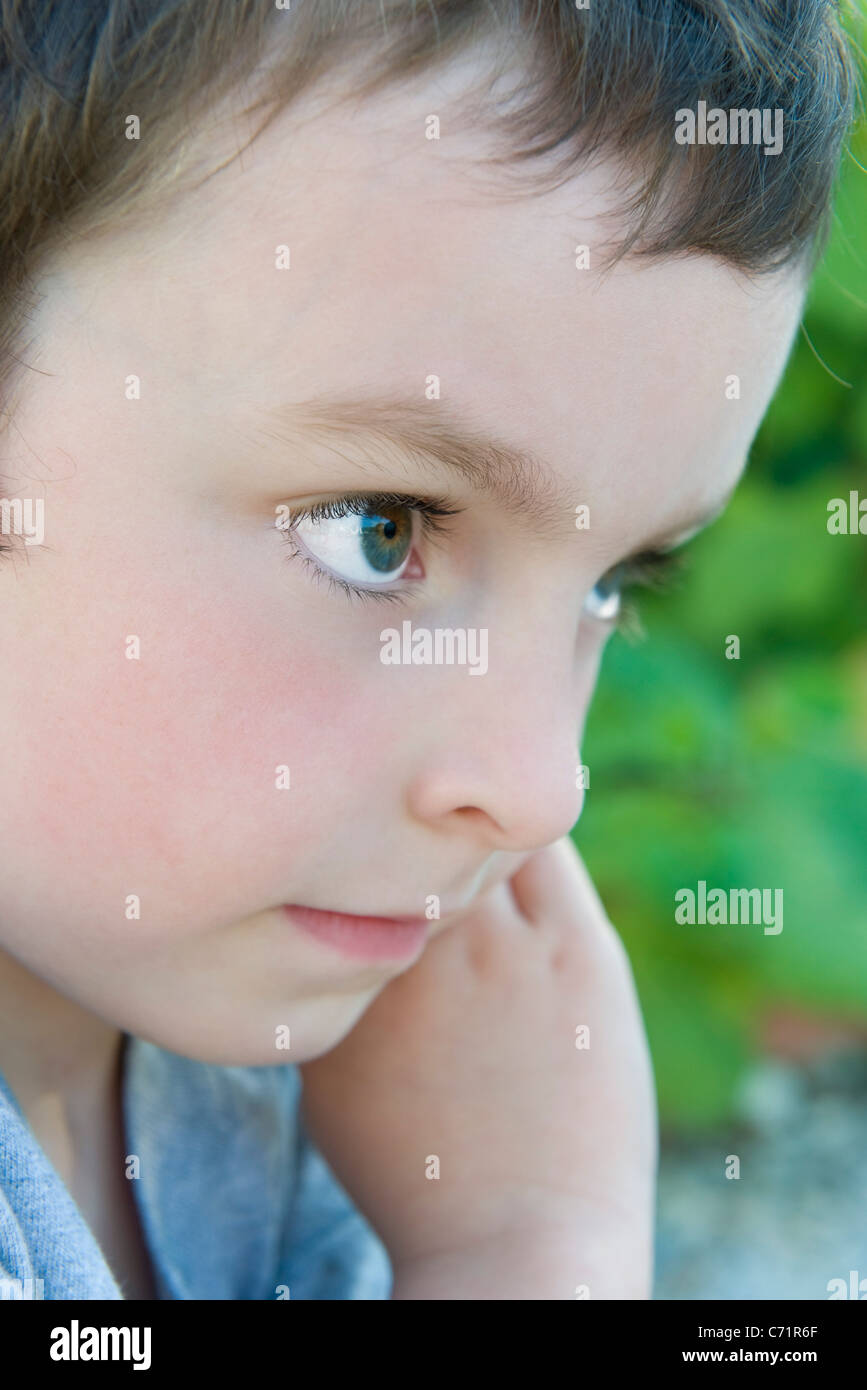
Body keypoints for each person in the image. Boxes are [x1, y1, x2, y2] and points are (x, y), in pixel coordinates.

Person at [0, 0, 856, 1300]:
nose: (538, 786)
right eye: (376, 532)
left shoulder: (337, 1071)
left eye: (612, 579)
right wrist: (523, 1254)